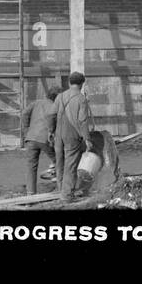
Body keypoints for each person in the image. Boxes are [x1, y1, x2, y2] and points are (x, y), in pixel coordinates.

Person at [54, 71, 93, 202]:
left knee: (59, 162)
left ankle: (61, 189)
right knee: (71, 164)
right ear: (82, 84)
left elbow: (51, 115)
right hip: (72, 134)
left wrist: (50, 131)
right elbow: (82, 121)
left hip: (58, 133)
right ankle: (66, 195)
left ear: (69, 82)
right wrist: (87, 139)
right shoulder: (81, 98)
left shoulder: (60, 96)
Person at [21, 86, 59, 195]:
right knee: (60, 161)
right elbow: (53, 120)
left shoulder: (36, 103)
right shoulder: (54, 106)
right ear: (57, 98)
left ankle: (30, 193)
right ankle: (61, 188)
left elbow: (24, 113)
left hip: (31, 138)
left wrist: (26, 130)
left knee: (31, 166)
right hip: (45, 139)